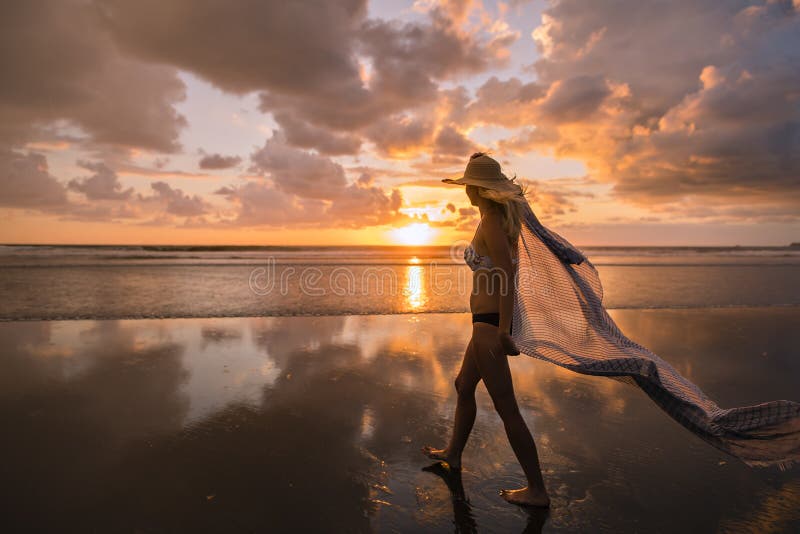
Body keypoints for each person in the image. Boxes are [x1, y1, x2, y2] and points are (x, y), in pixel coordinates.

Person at [422, 152, 551, 508]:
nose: (465, 191)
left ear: (476, 189)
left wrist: (505, 329)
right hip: (484, 323)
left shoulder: (493, 221)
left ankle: (537, 490)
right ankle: (454, 453)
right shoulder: (492, 220)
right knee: (464, 385)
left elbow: (508, 275)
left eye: (468, 185)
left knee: (507, 408)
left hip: (490, 326)